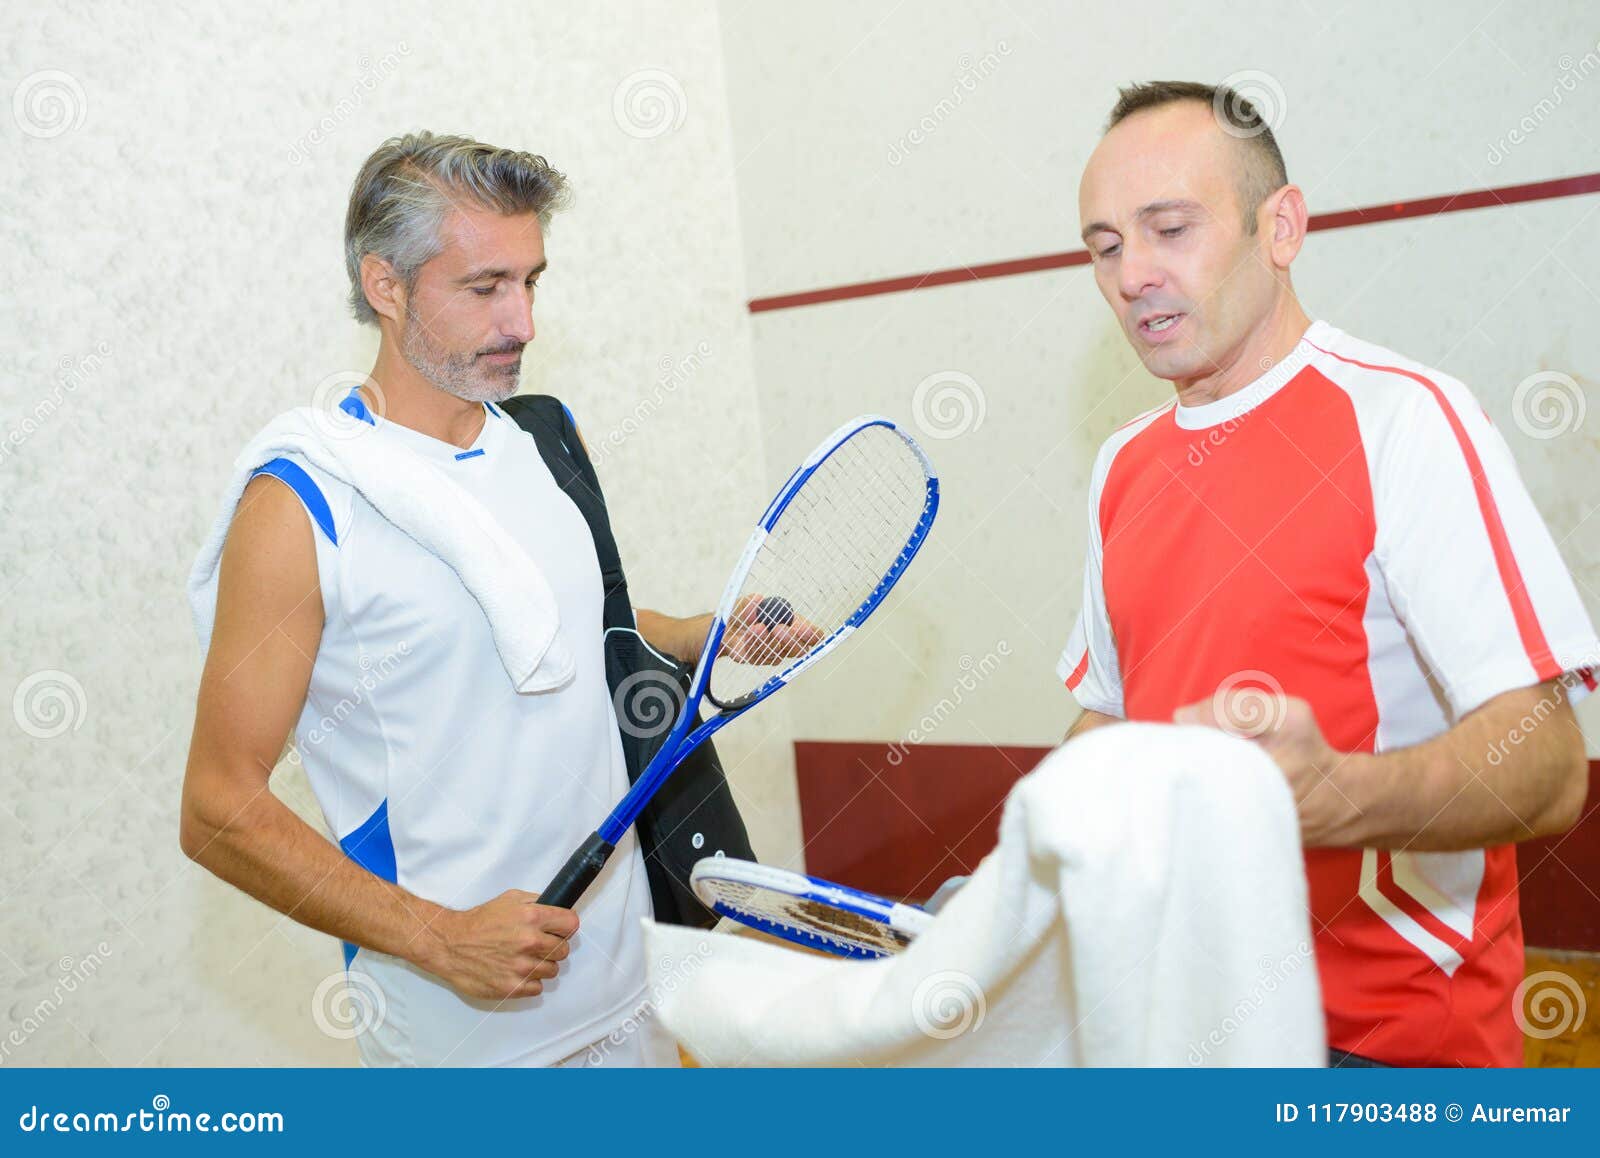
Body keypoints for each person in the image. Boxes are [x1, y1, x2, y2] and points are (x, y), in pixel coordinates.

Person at [179, 132, 805, 1067]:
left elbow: (586, 634)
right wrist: (438, 937)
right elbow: (216, 808)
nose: (523, 323)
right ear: (385, 286)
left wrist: (700, 635)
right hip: (461, 1044)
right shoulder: (302, 506)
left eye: (532, 281)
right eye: (485, 289)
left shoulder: (546, 440)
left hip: (637, 985)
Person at [1058, 82, 1596, 1066]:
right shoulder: (1119, 465)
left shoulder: (1406, 420)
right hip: (1180, 1026)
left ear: (1282, 227)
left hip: (1388, 1051)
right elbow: (1108, 717)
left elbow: (1551, 764)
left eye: (1169, 228)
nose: (1132, 273)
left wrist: (1327, 798)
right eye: (1102, 245)